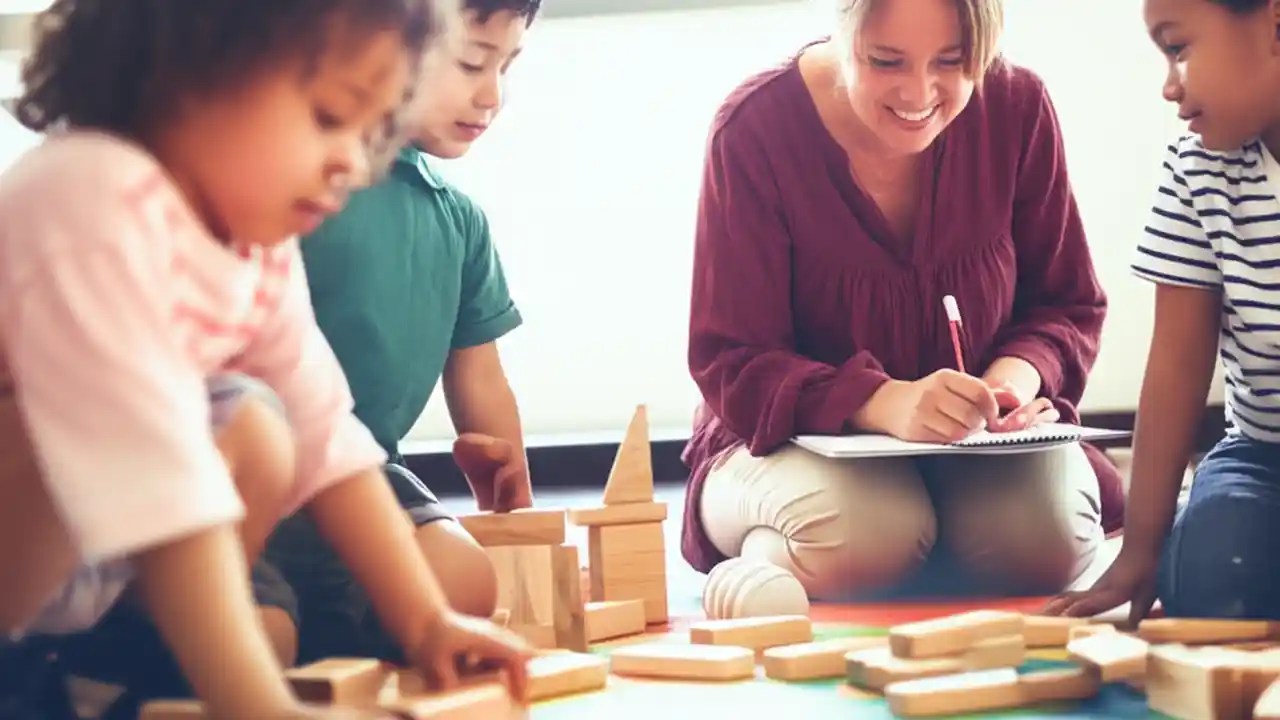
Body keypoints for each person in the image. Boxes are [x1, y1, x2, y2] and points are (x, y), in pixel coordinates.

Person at [0, 1, 532, 718]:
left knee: (255, 427)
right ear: (190, 78)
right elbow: (157, 481)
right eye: (328, 118)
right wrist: (260, 706)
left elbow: (331, 439)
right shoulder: (90, 194)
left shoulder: (254, 238)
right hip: (39, 547)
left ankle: (118, 672)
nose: (355, 160)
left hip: (76, 572)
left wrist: (425, 622)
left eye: (372, 130)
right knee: (202, 430)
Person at [682, 0, 1120, 613]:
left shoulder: (1018, 107)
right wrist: (885, 401)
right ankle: (779, 560)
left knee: (1047, 544)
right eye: (886, 61)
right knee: (869, 536)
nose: (920, 93)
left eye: (953, 61)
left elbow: (1066, 303)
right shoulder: (754, 131)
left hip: (971, 450)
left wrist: (1009, 384)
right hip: (786, 446)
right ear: (843, 32)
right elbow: (732, 358)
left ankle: (922, 550)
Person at [258, 0, 541, 666]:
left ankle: (327, 622)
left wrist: (515, 505)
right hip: (254, 479)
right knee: (259, 638)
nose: (492, 93)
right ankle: (297, 621)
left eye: (507, 65)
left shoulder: (459, 221)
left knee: (469, 582)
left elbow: (479, 372)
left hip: (365, 475)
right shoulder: (295, 185)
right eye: (472, 60)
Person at [1045, 0, 1280, 624]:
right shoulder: (1197, 169)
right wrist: (1141, 548)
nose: (1169, 85)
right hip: (1265, 454)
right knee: (1209, 575)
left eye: (1178, 49)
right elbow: (1175, 367)